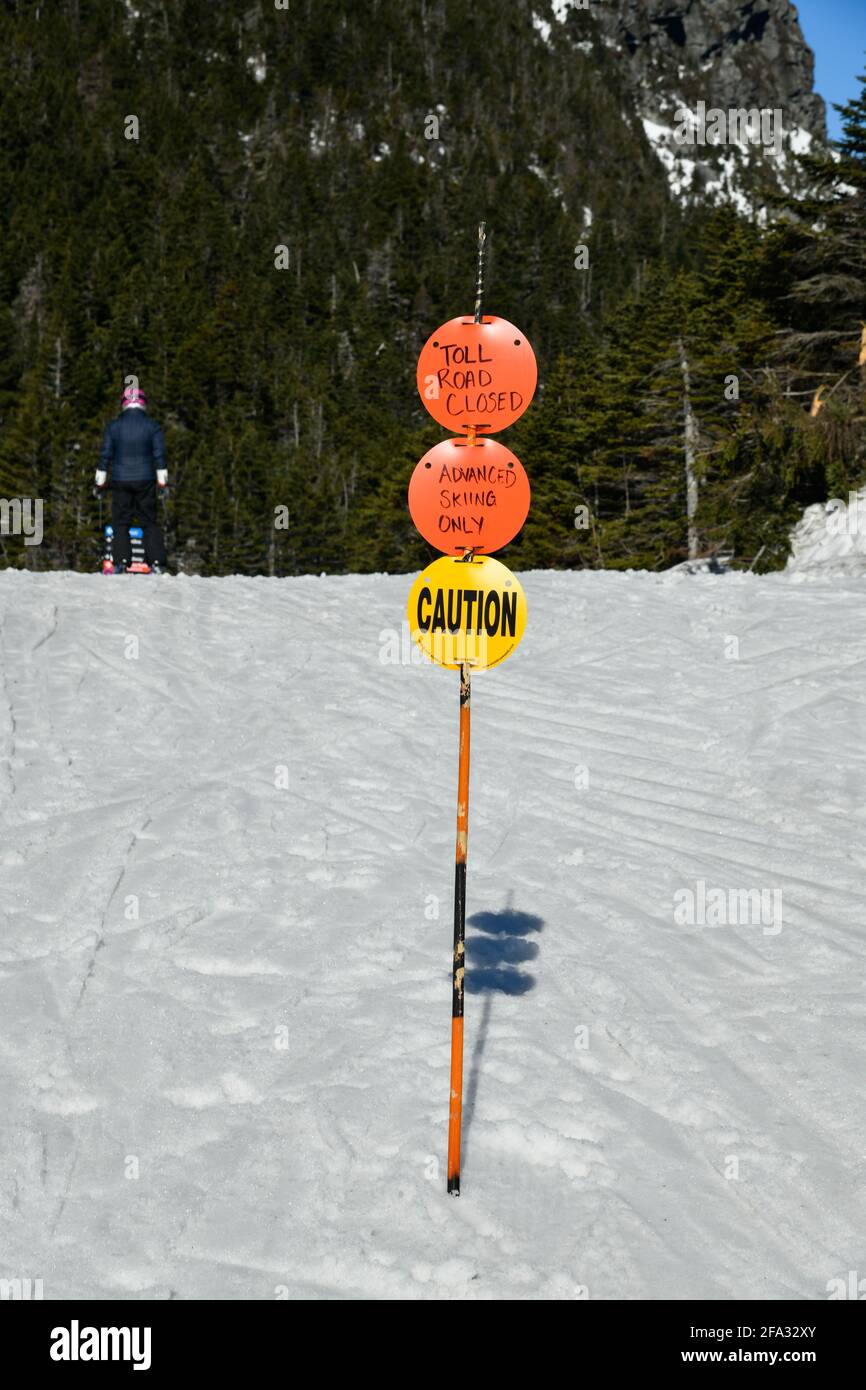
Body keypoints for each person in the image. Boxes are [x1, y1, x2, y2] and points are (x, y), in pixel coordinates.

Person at [95, 385, 169, 573]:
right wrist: (162, 481)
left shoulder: (114, 426)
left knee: (121, 523)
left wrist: (100, 481)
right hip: (145, 479)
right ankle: (156, 563)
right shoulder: (153, 426)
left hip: (120, 480)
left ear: (124, 403)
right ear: (143, 403)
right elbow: (159, 455)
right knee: (148, 522)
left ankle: (121, 561)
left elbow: (105, 455)